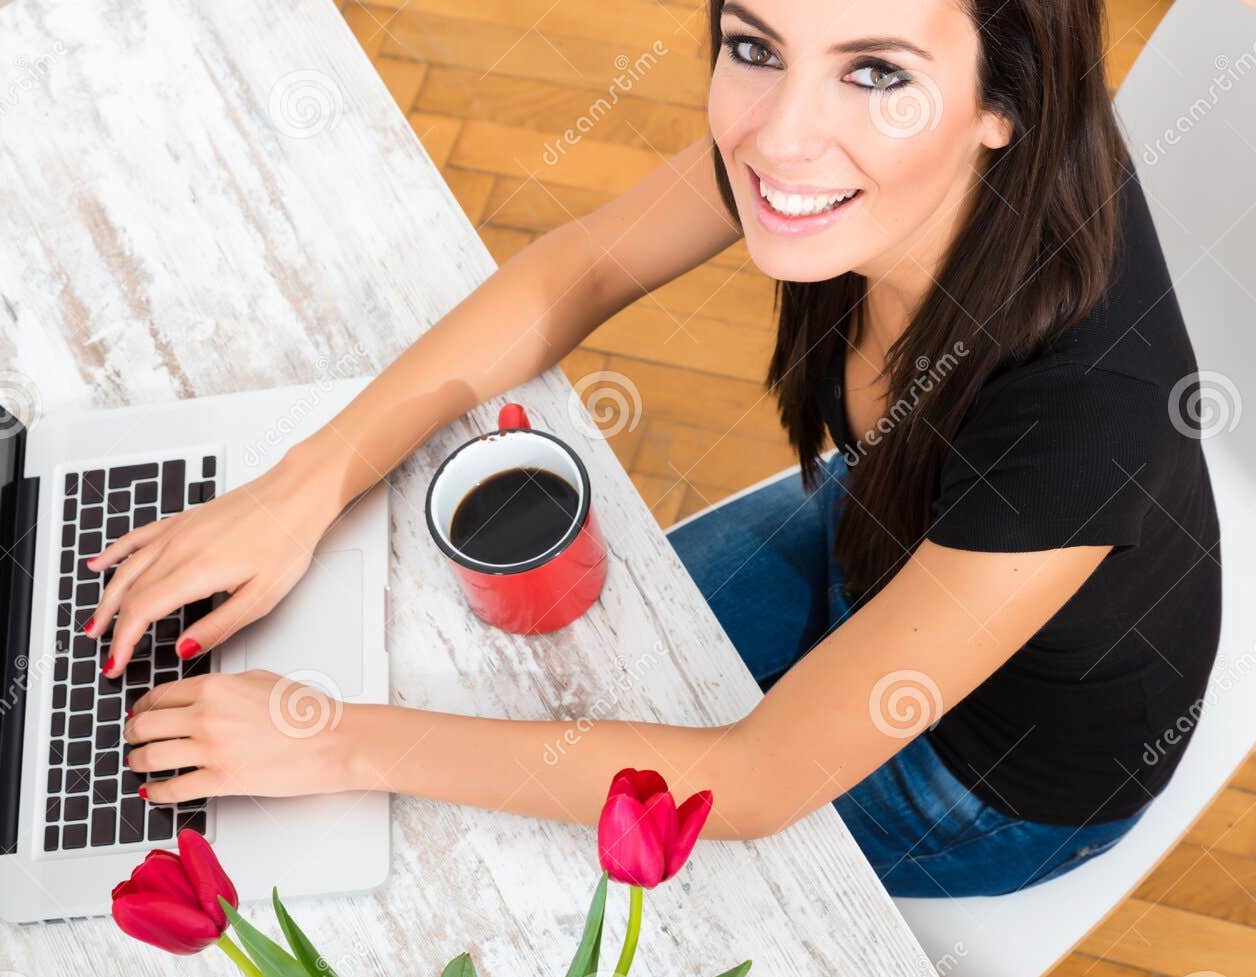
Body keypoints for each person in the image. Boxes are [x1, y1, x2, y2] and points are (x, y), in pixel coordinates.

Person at [83, 0, 1221, 897]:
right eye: (755, 46)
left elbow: (757, 779)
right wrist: (301, 485)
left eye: (876, 72)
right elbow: (582, 268)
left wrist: (332, 745)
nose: (777, 138)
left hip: (991, 778)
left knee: (518, 856)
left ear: (1003, 100)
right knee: (494, 678)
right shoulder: (860, 158)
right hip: (885, 522)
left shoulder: (1084, 421)